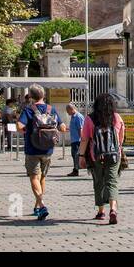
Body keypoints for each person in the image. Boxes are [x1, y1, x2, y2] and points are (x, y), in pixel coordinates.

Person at [79, 93, 125, 224]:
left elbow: (85, 139)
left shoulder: (90, 118)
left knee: (98, 182)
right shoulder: (116, 117)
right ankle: (113, 209)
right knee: (112, 181)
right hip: (115, 155)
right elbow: (121, 135)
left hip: (97, 156)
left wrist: (81, 156)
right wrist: (119, 147)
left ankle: (101, 211)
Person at [17, 84, 61, 221]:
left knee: (34, 177)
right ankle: (37, 207)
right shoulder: (51, 109)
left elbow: (19, 126)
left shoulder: (29, 110)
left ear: (30, 96)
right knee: (42, 177)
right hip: (48, 149)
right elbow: (63, 127)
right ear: (44, 95)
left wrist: (25, 131)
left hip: (32, 148)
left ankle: (41, 205)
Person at [65, 103, 85, 177]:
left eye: (67, 111)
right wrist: (67, 129)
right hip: (74, 140)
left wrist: (82, 140)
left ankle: (76, 170)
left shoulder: (78, 116)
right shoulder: (73, 117)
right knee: (74, 155)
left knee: (76, 155)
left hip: (78, 140)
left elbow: (81, 129)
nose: (67, 112)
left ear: (71, 109)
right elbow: (74, 128)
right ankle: (76, 169)